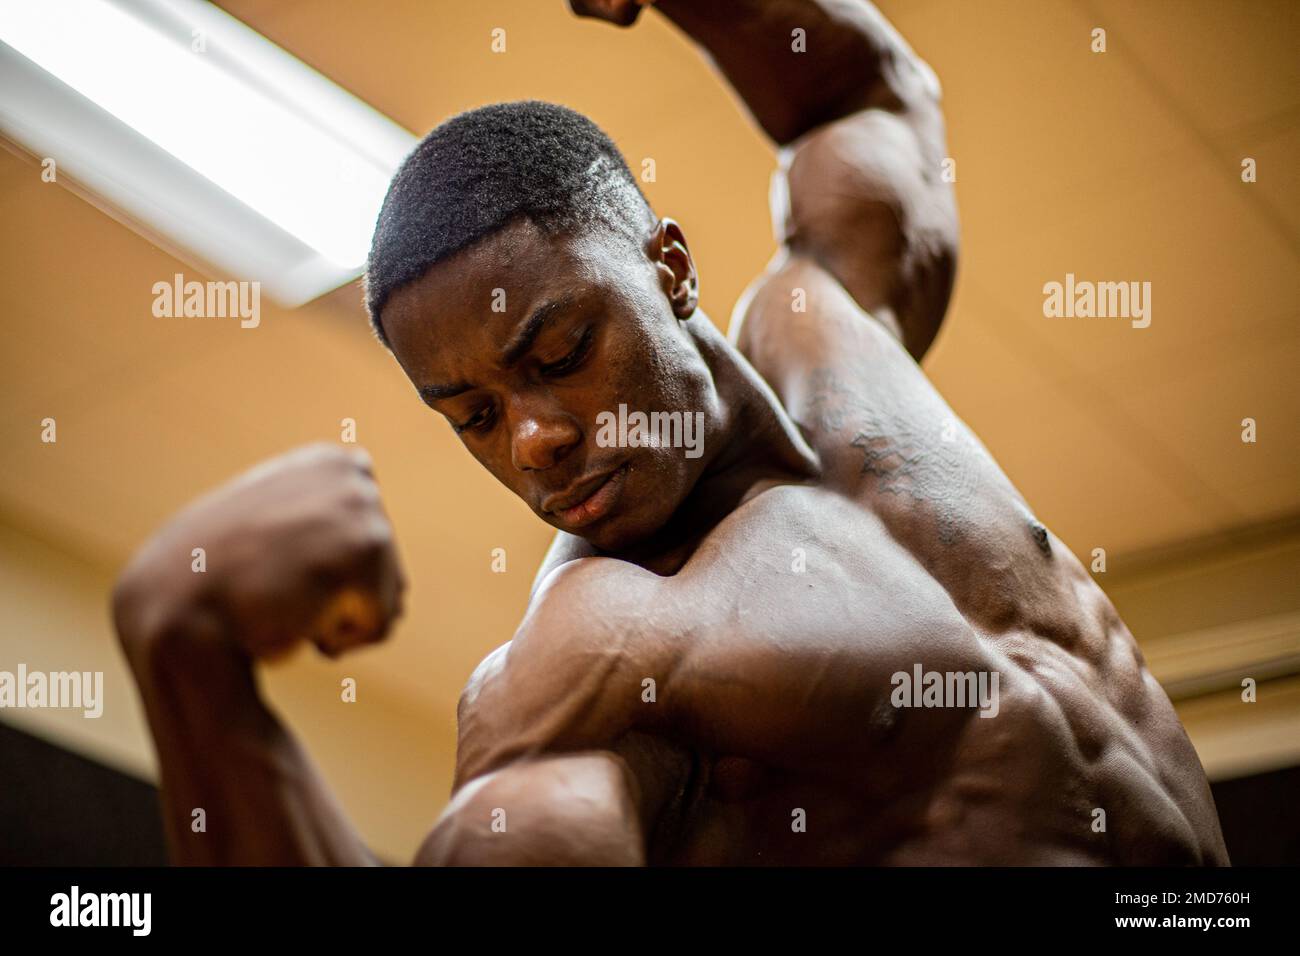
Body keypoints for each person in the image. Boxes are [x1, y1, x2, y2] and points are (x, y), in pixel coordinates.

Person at [113, 0, 1229, 865]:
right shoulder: (593, 654)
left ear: (670, 268)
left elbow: (863, 105)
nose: (534, 442)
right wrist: (188, 664)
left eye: (556, 357)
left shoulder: (827, 331)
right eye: (475, 417)